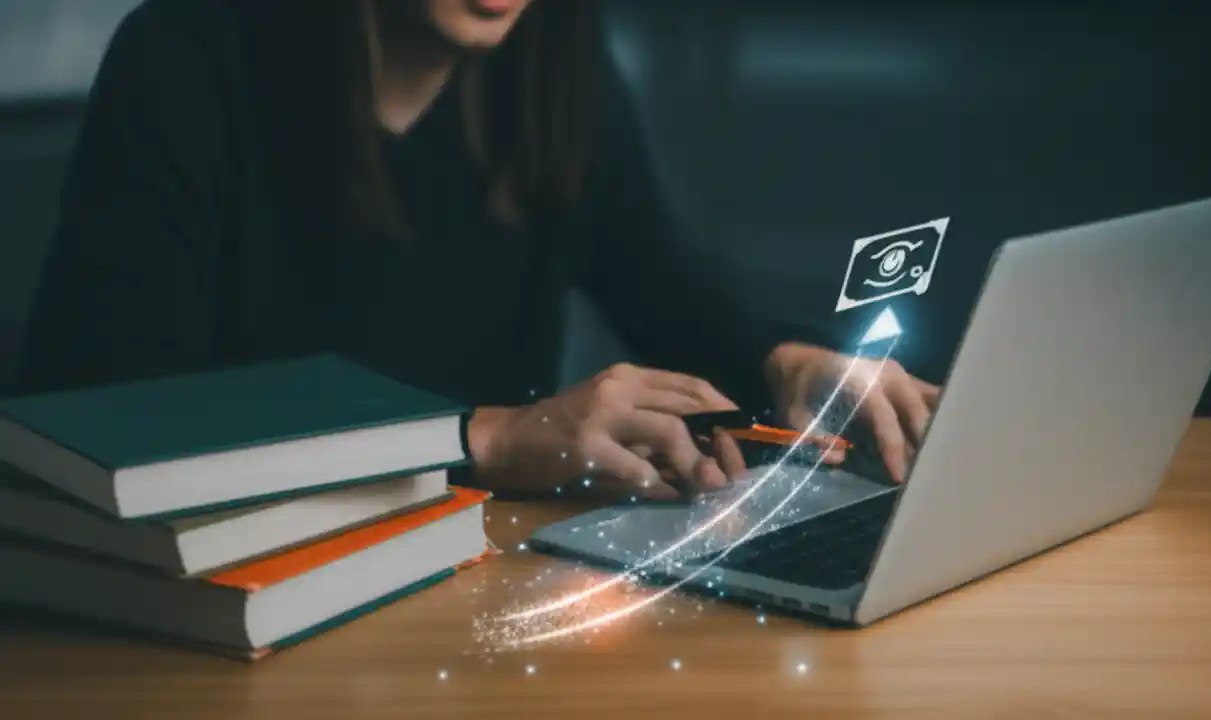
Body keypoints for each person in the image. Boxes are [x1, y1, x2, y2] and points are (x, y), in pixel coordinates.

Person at [18, 0, 939, 501]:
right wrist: (483, 436)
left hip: (465, 580)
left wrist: (789, 363)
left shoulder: (555, 56)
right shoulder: (186, 55)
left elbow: (661, 283)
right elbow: (103, 408)